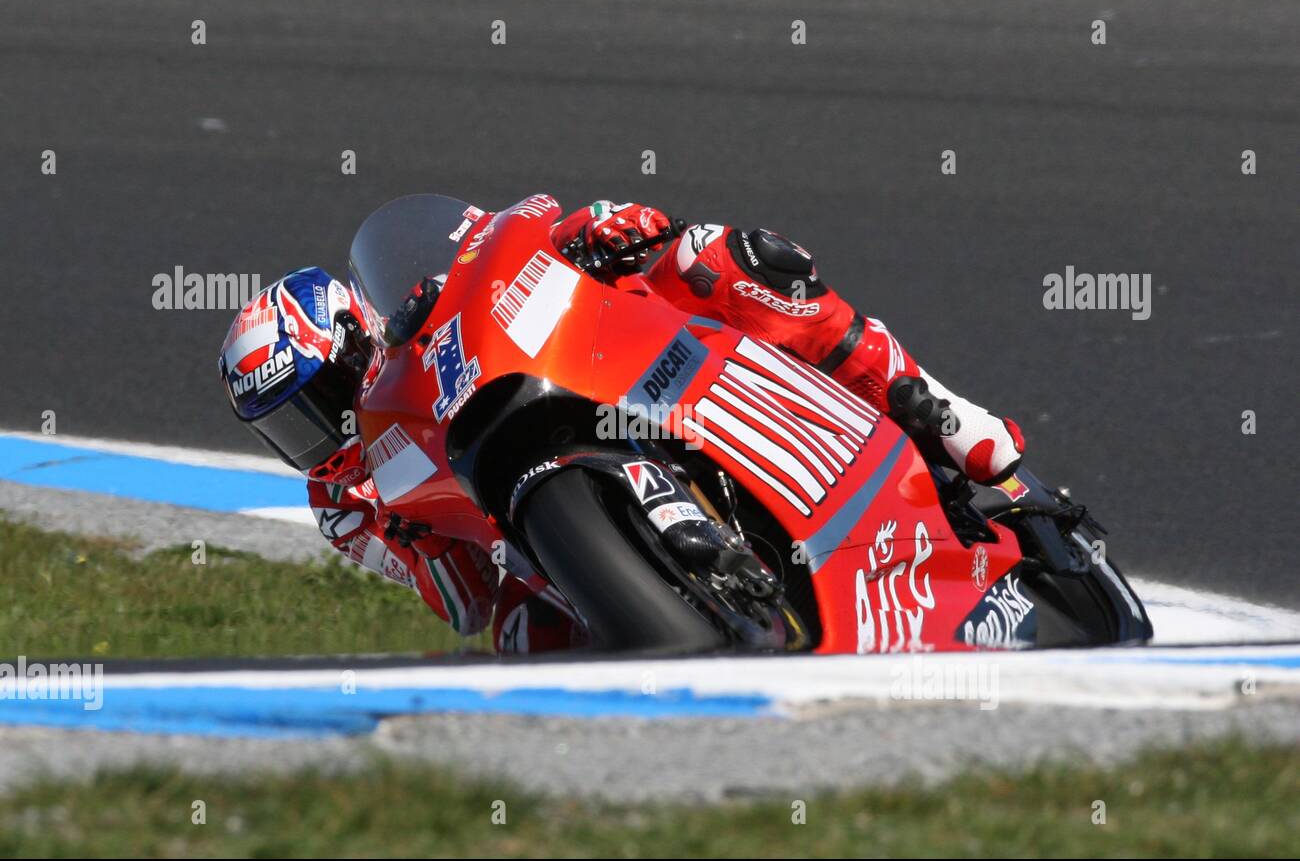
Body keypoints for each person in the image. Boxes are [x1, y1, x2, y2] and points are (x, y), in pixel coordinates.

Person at [218, 198, 1024, 652]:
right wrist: (415, 544)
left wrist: (603, 229)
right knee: (517, 639)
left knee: (725, 256)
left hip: (586, 375)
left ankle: (943, 415)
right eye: (291, 428)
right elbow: (463, 603)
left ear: (355, 333)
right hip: (538, 557)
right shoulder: (345, 506)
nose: (317, 436)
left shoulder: (417, 325)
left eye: (318, 401)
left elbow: (520, 248)